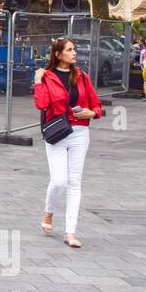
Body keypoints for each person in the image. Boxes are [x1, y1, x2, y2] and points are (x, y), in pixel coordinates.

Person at [34, 39, 102, 249]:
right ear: (58, 54)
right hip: (57, 132)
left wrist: (93, 113)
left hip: (80, 131)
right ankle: (48, 211)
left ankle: (70, 232)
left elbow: (95, 104)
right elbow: (42, 104)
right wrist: (37, 81)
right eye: (70, 50)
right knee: (59, 181)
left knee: (75, 182)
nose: (74, 53)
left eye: (74, 50)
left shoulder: (82, 76)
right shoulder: (47, 76)